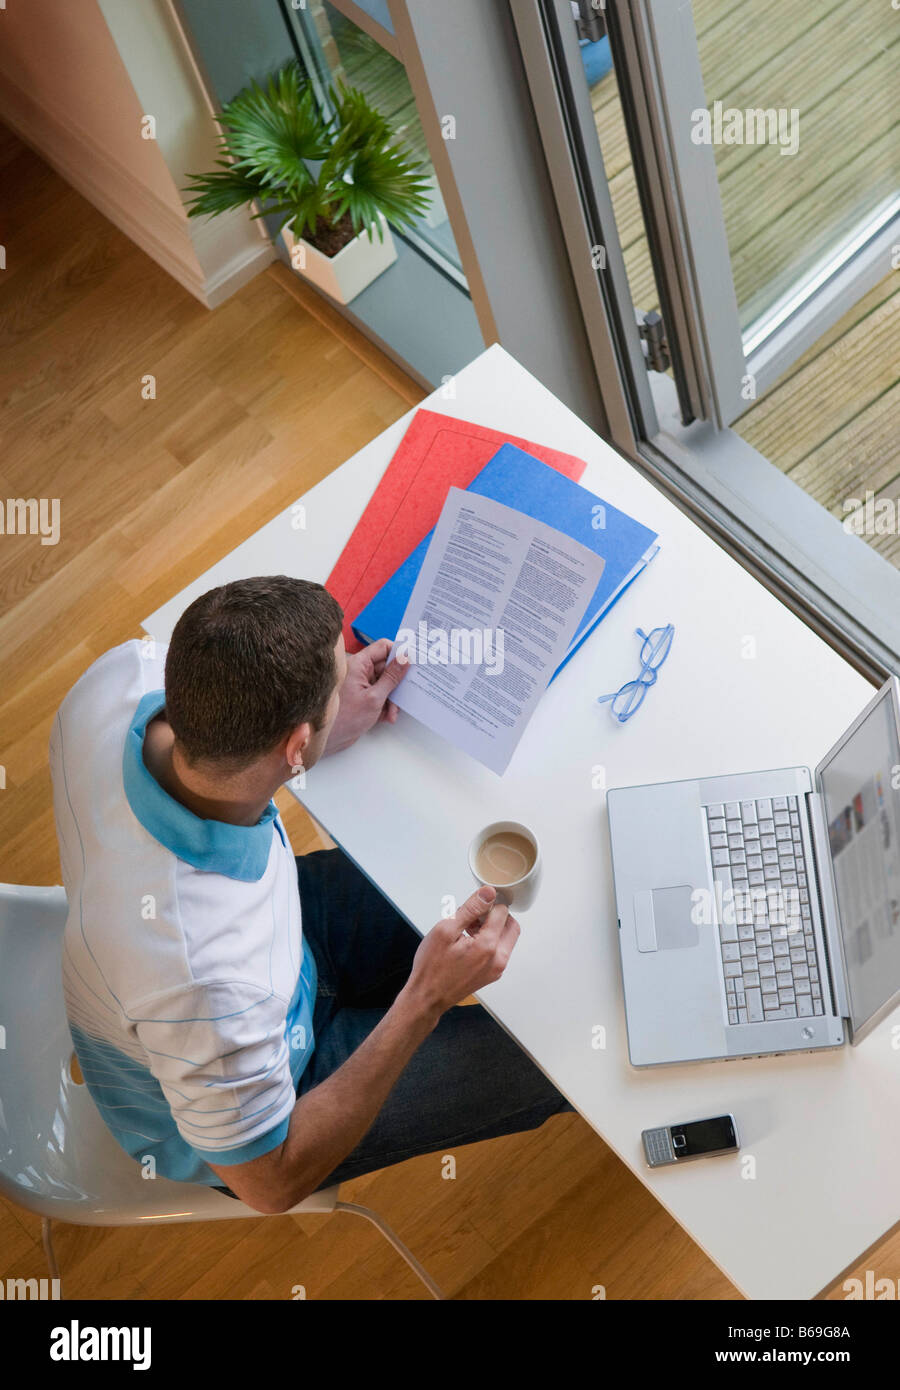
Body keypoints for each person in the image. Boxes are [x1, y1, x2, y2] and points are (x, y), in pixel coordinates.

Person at [49, 575, 572, 1214]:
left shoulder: (118, 679)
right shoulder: (204, 980)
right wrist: (422, 1001)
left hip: (278, 955)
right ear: (295, 743)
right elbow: (270, 1182)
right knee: (557, 1057)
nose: (350, 676)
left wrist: (319, 716)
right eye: (337, 681)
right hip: (268, 1107)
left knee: (474, 882)